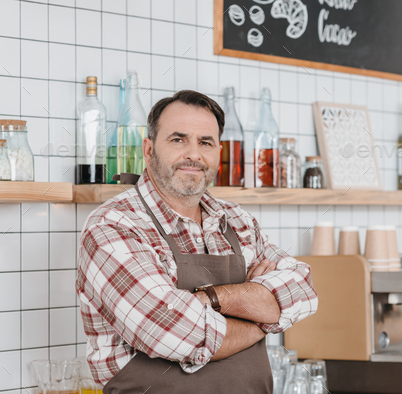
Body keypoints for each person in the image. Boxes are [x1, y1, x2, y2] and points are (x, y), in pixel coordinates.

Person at [76, 90, 318, 393]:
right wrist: (262, 316)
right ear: (148, 150)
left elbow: (304, 291)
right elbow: (175, 331)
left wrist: (214, 299)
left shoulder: (236, 220)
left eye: (205, 142)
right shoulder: (113, 226)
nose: (194, 154)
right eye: (178, 140)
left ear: (219, 150)